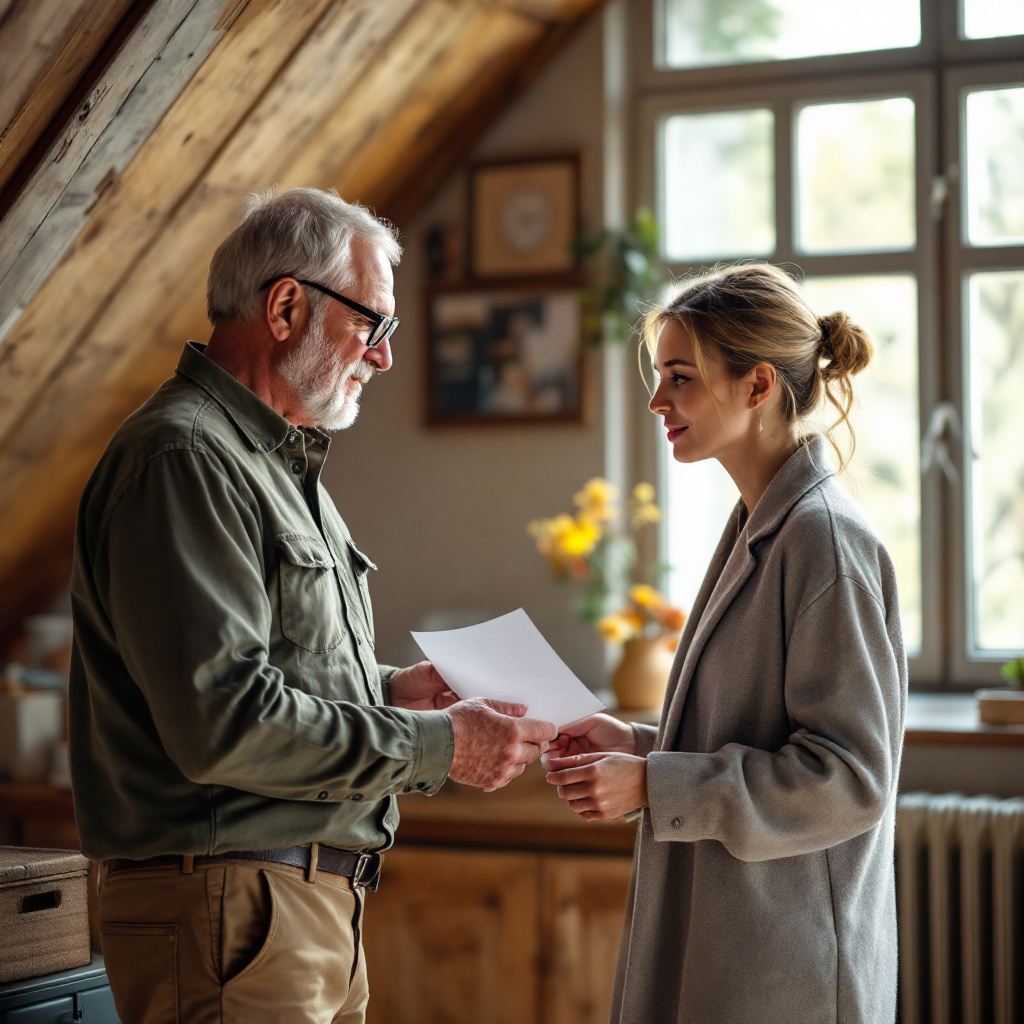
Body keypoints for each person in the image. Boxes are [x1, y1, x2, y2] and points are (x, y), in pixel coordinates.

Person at [68, 187, 556, 1024]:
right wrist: (441, 745)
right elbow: (223, 720)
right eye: (375, 325)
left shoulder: (273, 463)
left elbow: (276, 667)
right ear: (287, 305)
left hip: (294, 910)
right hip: (236, 910)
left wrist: (390, 689)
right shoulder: (185, 457)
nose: (384, 357)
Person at [545, 263, 907, 1024]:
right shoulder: (758, 525)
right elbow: (749, 733)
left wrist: (654, 785)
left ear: (757, 386)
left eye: (679, 377)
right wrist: (644, 747)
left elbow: (850, 778)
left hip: (790, 971)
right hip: (734, 947)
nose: (656, 401)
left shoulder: (825, 544)